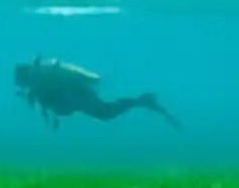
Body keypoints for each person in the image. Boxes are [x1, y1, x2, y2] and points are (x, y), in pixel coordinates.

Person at [13, 55, 182, 131]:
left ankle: (142, 100)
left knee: (104, 113)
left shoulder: (44, 79)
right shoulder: (39, 85)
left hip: (78, 95)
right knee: (104, 113)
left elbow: (63, 88)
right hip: (77, 97)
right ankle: (142, 101)